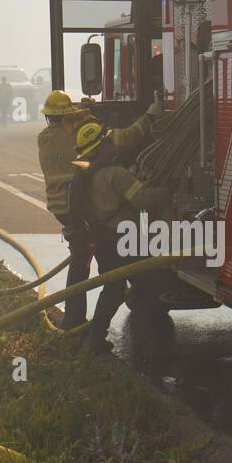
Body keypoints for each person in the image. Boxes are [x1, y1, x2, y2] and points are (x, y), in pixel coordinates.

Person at [36, 90, 163, 328]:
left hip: (61, 208)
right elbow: (124, 139)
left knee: (81, 258)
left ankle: (76, 317)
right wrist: (150, 116)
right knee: (101, 259)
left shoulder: (44, 138)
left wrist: (80, 116)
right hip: (81, 208)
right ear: (67, 116)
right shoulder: (78, 133)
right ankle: (90, 316)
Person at [70, 121, 169, 356]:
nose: (111, 144)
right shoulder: (115, 174)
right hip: (124, 239)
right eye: (106, 141)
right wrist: (167, 191)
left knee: (113, 289)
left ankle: (97, 339)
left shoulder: (87, 174)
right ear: (99, 148)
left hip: (104, 239)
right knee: (148, 285)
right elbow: (143, 200)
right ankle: (150, 343)